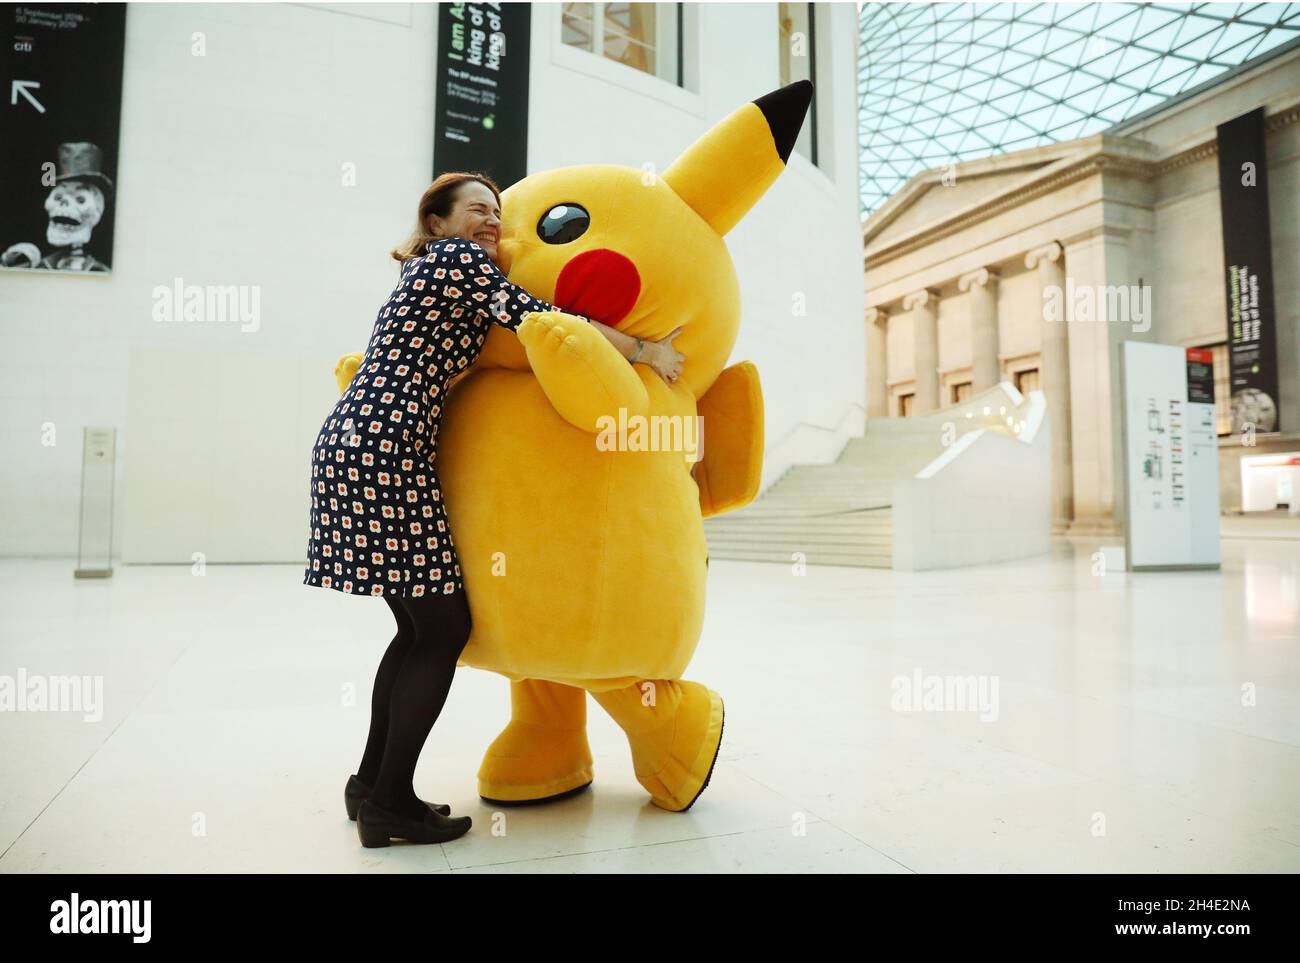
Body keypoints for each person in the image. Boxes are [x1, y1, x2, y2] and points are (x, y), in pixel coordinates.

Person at [303, 172, 686, 847]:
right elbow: (543, 320)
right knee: (443, 629)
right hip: (388, 448)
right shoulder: (455, 261)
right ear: (438, 221)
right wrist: (645, 349)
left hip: (355, 442)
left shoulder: (426, 272)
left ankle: (369, 783)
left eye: (497, 211)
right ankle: (390, 802)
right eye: (477, 208)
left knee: (414, 631)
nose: (492, 221)